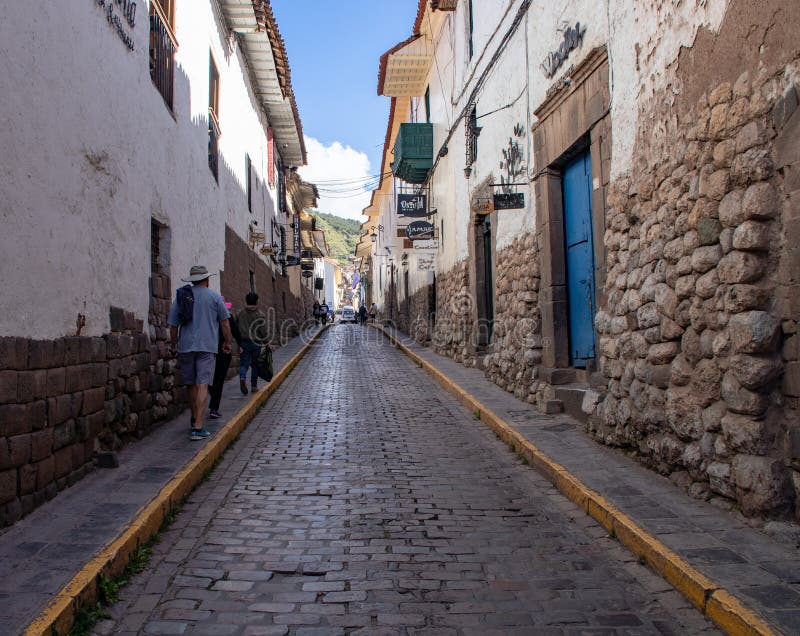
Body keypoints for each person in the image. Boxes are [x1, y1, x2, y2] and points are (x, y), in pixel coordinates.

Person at [168, 265, 232, 441]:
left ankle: (194, 418)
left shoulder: (182, 297)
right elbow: (225, 323)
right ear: (207, 280)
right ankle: (198, 427)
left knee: (191, 385)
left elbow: (174, 326)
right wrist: (227, 342)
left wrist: (174, 344)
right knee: (203, 384)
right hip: (206, 347)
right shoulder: (214, 297)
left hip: (186, 346)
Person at [208, 296, 241, 420]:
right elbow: (234, 330)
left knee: (208, 379)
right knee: (219, 379)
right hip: (222, 350)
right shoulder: (227, 316)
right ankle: (214, 408)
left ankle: (213, 400)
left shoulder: (209, 316)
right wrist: (238, 344)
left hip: (208, 349)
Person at [236, 292, 270, 395]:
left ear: (246, 301)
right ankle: (254, 386)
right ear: (256, 301)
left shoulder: (240, 313)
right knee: (255, 365)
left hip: (244, 342)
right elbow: (263, 331)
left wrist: (238, 343)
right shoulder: (260, 314)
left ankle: (242, 377)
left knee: (244, 363)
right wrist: (267, 342)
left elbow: (236, 328)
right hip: (256, 343)